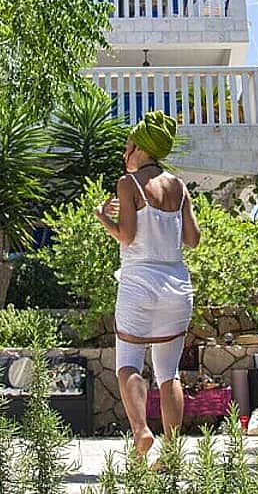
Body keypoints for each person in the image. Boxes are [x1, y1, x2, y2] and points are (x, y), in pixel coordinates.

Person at [94, 110, 199, 461]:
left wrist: (102, 218)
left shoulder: (129, 183)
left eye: (127, 146)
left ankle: (141, 432)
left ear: (138, 147)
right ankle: (171, 453)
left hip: (139, 283)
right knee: (169, 373)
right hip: (176, 287)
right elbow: (193, 239)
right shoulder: (178, 186)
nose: (125, 152)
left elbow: (126, 235)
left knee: (128, 364)